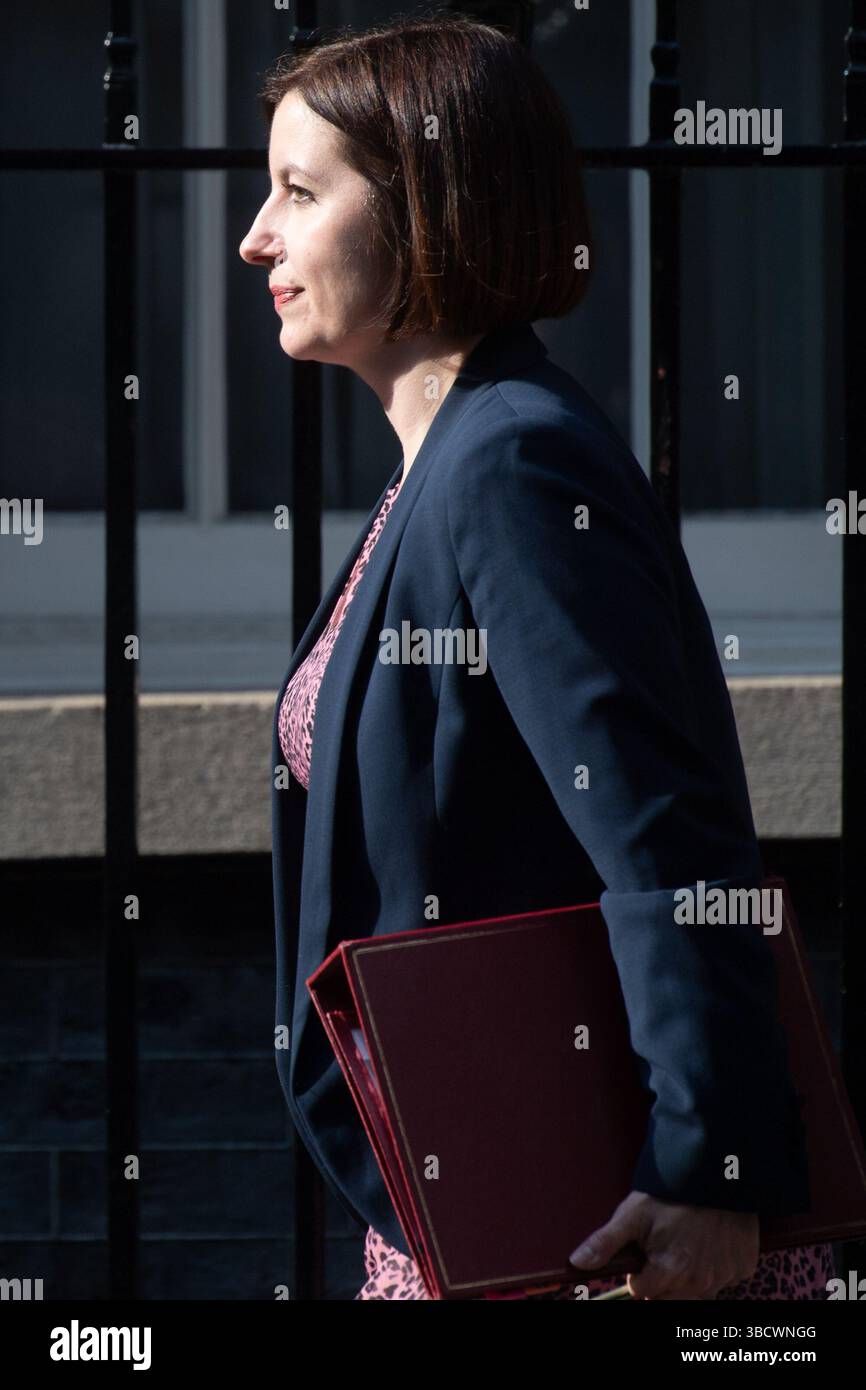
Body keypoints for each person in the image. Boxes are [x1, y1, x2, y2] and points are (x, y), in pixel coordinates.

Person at [239, 15, 833, 1301]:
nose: (257, 238)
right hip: (491, 1205)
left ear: (424, 209)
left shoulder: (509, 461)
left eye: (297, 192)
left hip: (605, 1230)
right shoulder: (444, 464)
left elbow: (662, 834)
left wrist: (707, 1165)